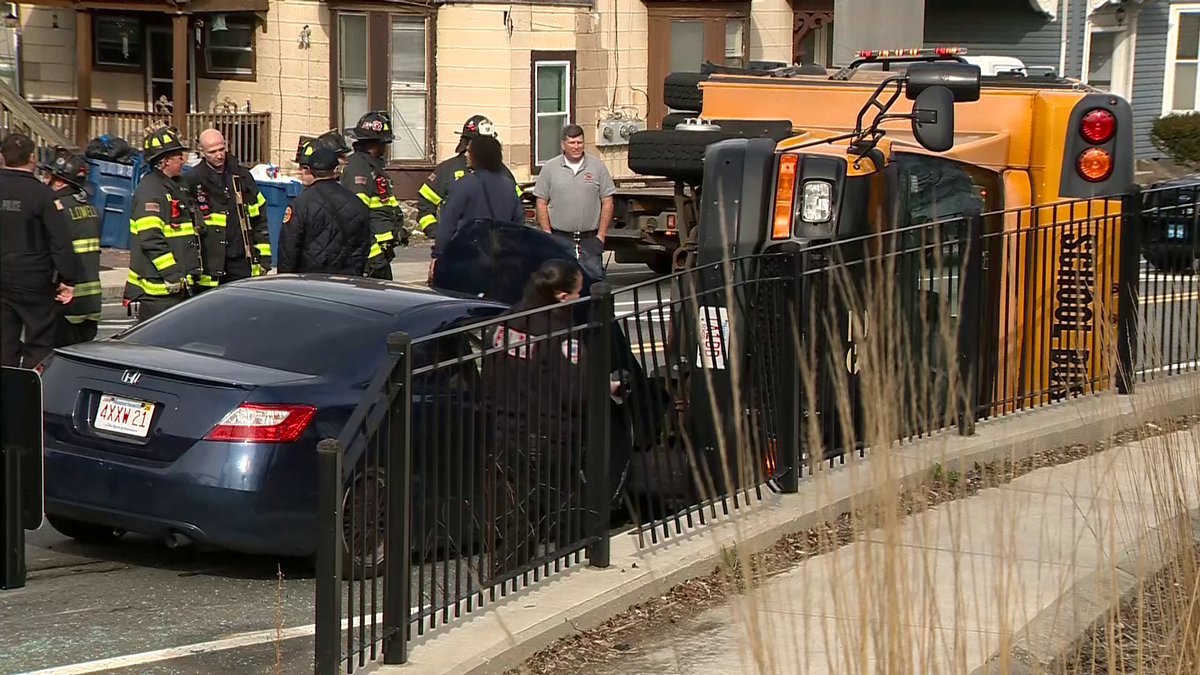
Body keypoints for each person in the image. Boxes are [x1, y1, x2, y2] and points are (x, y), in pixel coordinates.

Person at [480, 260, 624, 580]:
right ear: (561, 296)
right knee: (557, 513)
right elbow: (574, 394)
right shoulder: (561, 335)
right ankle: (507, 581)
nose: (579, 298)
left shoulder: (506, 323)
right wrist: (604, 388)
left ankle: (512, 577)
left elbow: (488, 378)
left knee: (525, 512)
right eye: (577, 293)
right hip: (547, 437)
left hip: (505, 431)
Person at [0, 133, 76, 368]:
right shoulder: (43, 195)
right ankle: (31, 393)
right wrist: (67, 279)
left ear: (2, 157)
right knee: (40, 341)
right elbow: (60, 241)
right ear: (32, 158)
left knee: (4, 342)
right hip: (34, 280)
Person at [123, 125, 203, 323]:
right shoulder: (150, 191)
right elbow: (150, 238)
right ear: (164, 161)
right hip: (159, 291)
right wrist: (171, 273)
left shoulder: (176, 187)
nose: (182, 160)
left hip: (176, 288)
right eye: (178, 156)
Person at [181, 128, 272, 290]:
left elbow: (259, 218)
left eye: (222, 149)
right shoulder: (192, 180)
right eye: (213, 151)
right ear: (201, 151)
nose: (219, 155)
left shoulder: (242, 175)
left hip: (240, 260)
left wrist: (263, 257)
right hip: (210, 262)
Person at [416, 114, 520, 240]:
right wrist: (435, 231)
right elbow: (425, 204)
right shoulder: (448, 170)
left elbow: (517, 212)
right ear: (466, 143)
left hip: (496, 247)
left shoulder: (503, 173)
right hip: (462, 248)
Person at [532, 125, 616, 278]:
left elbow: (608, 201)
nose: (576, 147)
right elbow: (541, 202)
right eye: (572, 143)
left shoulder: (597, 167)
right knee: (560, 286)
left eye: (579, 143)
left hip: (590, 241)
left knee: (592, 287)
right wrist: (548, 234)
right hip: (560, 240)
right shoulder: (550, 168)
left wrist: (601, 235)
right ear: (563, 145)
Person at [430, 135, 524, 271]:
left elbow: (448, 225)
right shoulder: (508, 185)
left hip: (467, 260)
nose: (466, 155)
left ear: (478, 156)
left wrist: (437, 255)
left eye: (469, 152)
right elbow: (519, 221)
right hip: (501, 260)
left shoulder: (464, 184)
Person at [277, 143, 373, 275]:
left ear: (310, 170)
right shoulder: (355, 202)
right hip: (347, 279)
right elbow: (364, 243)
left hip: (311, 280)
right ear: (336, 169)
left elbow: (288, 247)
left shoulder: (300, 204)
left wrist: (286, 280)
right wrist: (356, 271)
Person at [40, 148, 102, 346]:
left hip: (65, 303)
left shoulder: (55, 209)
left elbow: (55, 253)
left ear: (59, 181)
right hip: (91, 303)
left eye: (48, 175)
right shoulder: (92, 209)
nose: (44, 180)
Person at [342, 111, 407, 279]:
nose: (386, 148)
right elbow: (355, 218)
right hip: (369, 259)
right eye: (384, 143)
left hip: (381, 254)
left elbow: (384, 204)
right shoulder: (359, 168)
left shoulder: (373, 167)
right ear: (375, 144)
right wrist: (373, 254)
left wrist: (397, 228)